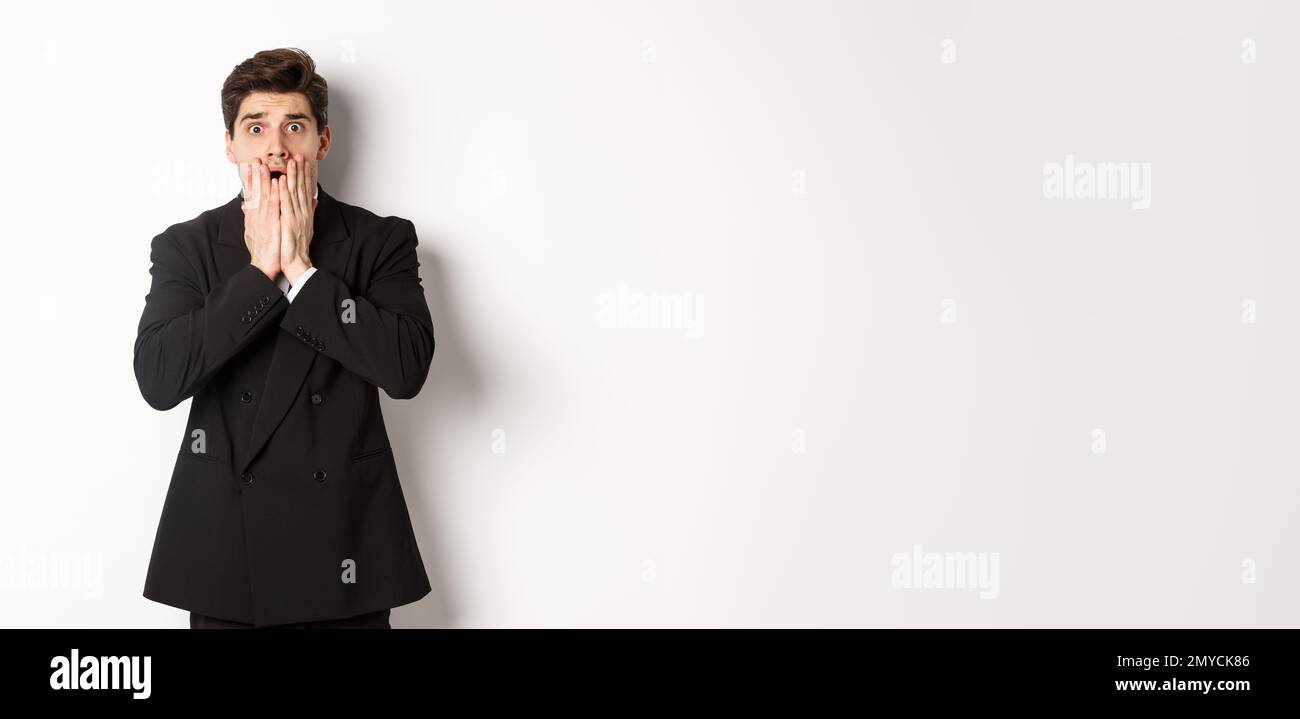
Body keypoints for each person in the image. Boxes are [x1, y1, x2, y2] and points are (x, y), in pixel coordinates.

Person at [133, 47, 434, 628]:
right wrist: (257, 276)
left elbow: (405, 371)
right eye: (255, 127)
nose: (275, 146)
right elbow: (160, 379)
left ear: (322, 142)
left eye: (294, 126)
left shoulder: (381, 240)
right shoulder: (186, 246)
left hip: (345, 542)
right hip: (229, 554)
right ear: (231, 145)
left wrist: (301, 270)